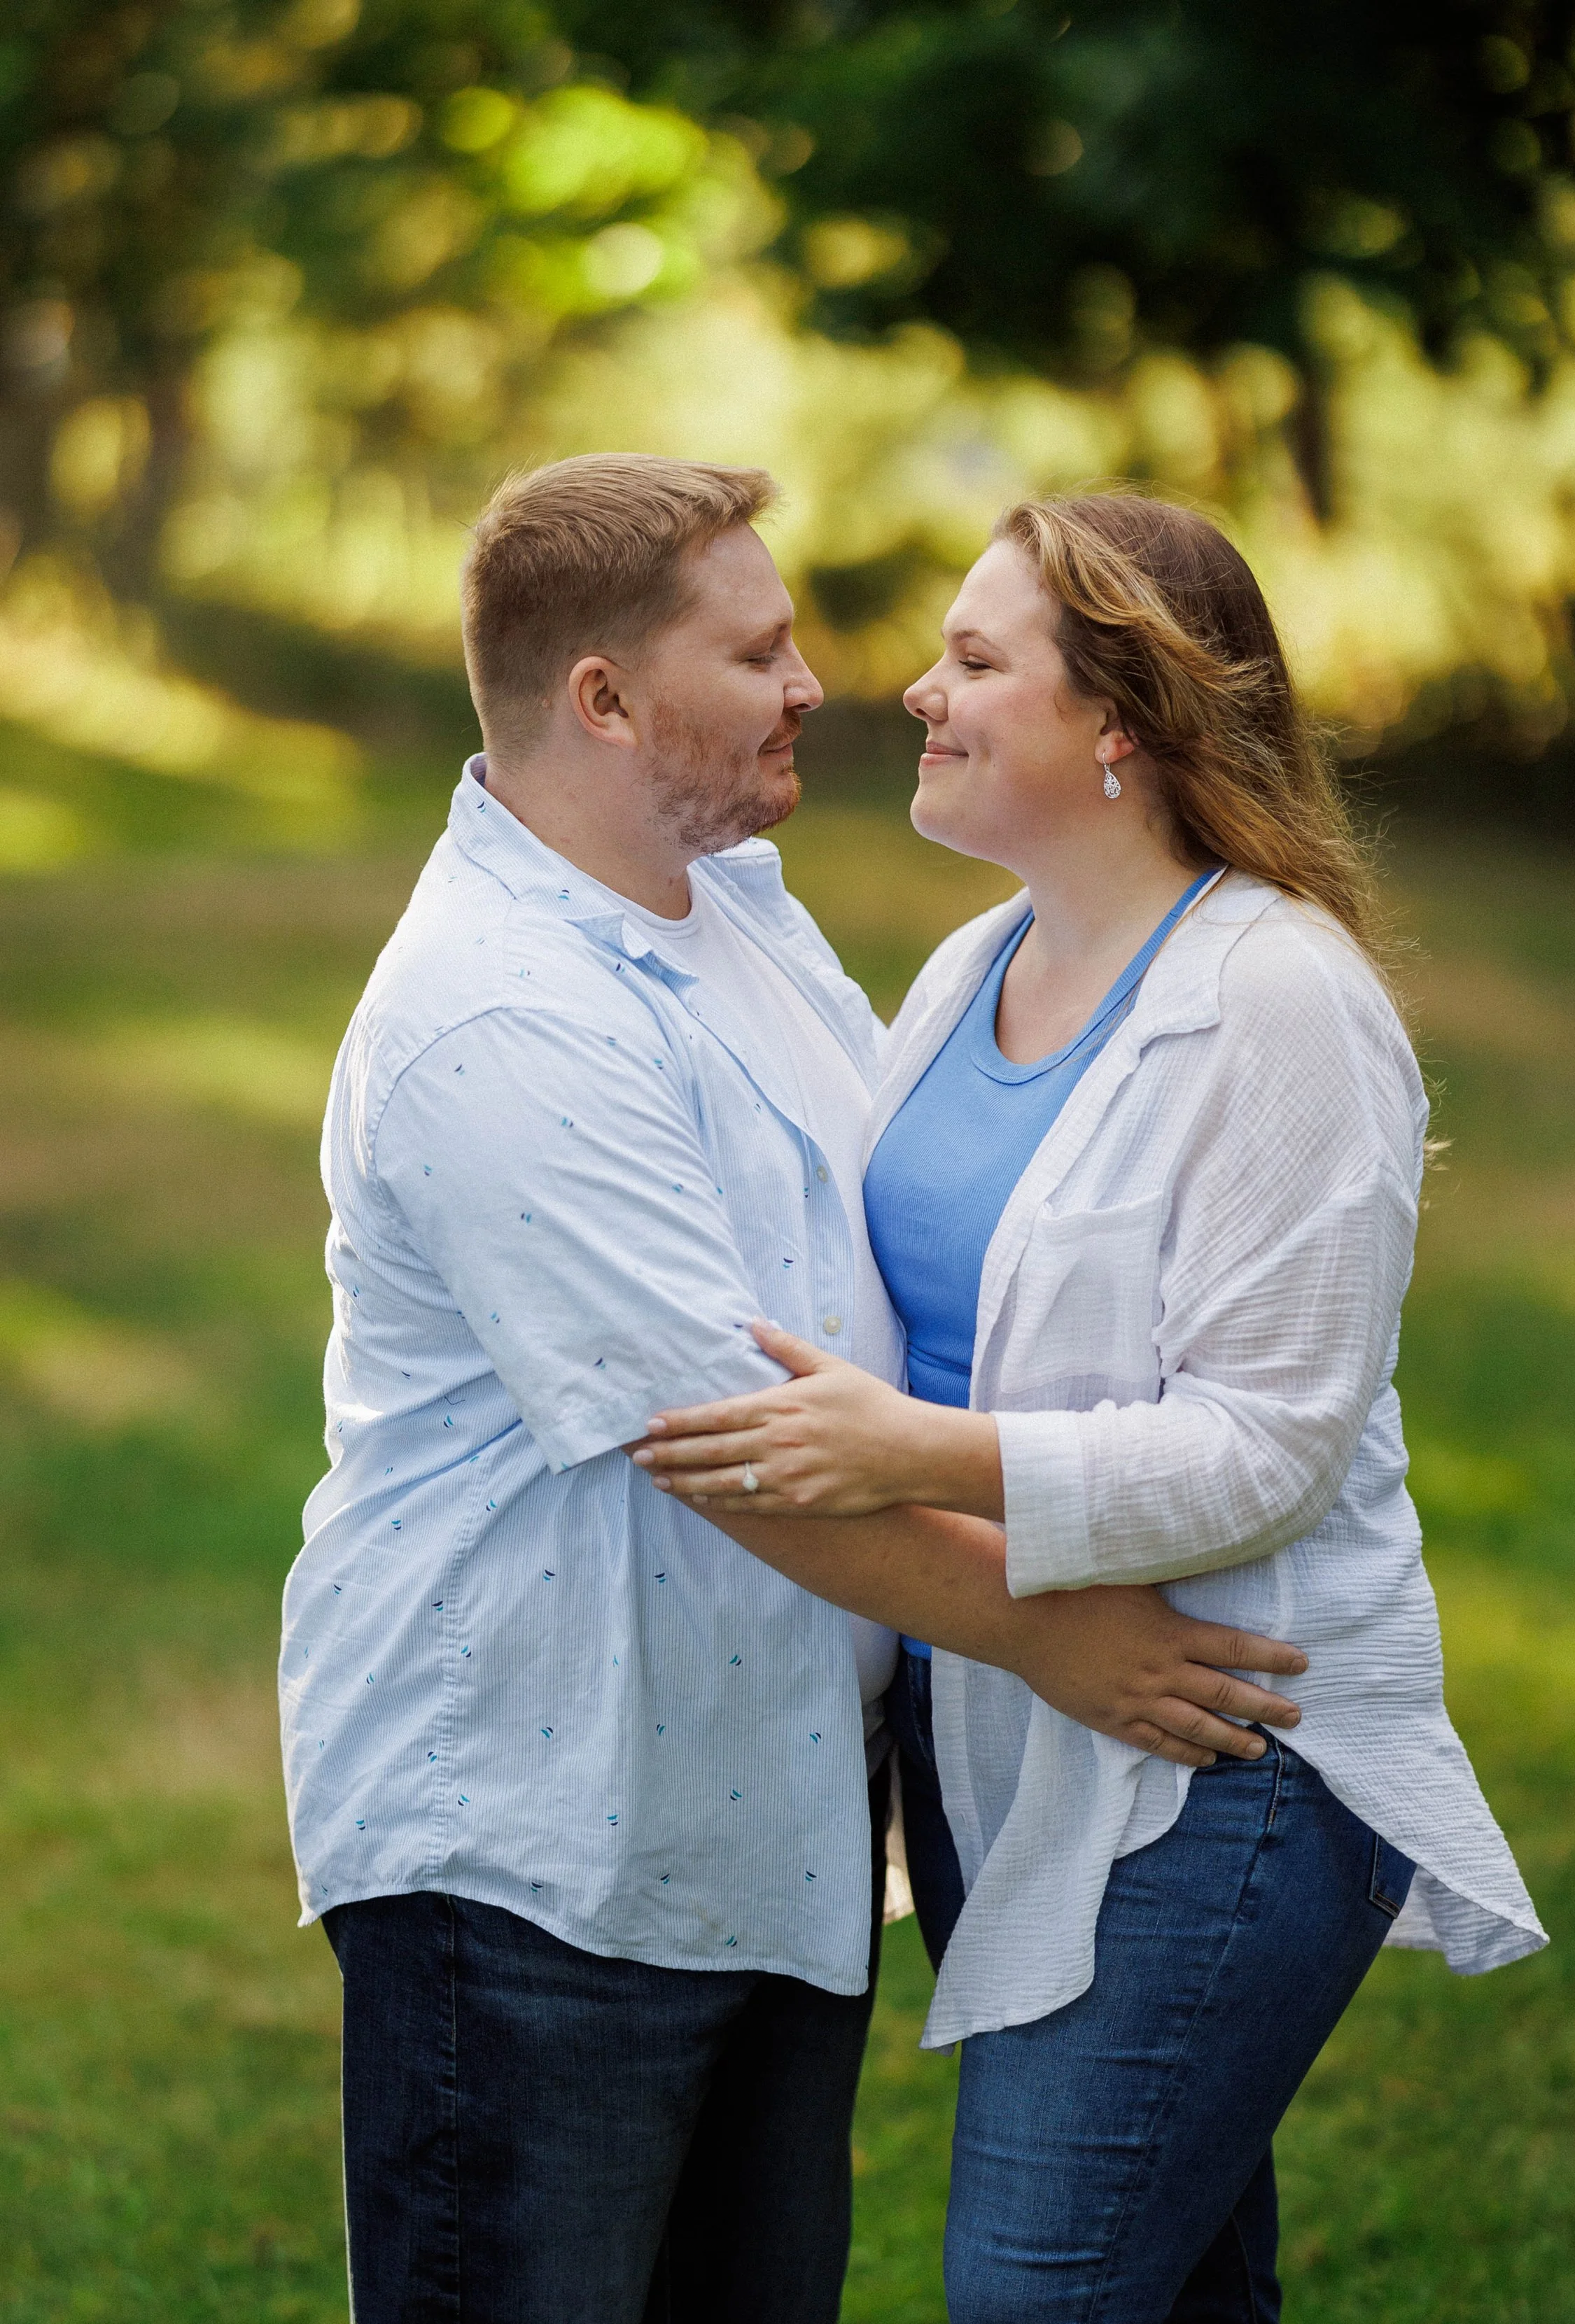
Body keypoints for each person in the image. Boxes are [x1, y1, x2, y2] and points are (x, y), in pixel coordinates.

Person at [280, 455, 1308, 2324]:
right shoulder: (501, 1014)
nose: (814, 686)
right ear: (606, 699)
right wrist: (1058, 1636)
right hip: (538, 1851)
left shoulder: (734, 910)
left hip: (768, 1829)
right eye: (757, 655)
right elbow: (729, 1448)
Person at [631, 491, 1548, 2324]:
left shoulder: (1280, 999)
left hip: (1221, 1749)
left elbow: (1269, 1448)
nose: (915, 692)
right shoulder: (975, 966)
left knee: (1038, 2293)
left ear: (1121, 719)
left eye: (976, 661)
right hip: (1006, 1735)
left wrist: (919, 1459)